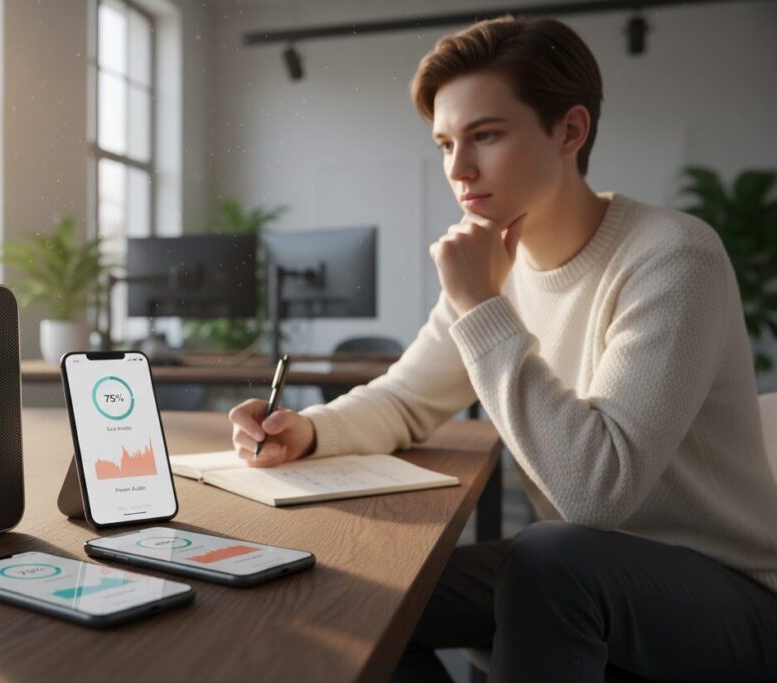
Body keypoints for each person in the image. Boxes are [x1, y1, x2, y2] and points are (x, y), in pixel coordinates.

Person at [227, 15, 777, 682]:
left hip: (732, 597)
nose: (459, 169)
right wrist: (306, 430)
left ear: (570, 131)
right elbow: (406, 398)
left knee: (549, 558)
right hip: (580, 572)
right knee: (362, 592)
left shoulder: (672, 256)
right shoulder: (499, 265)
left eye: (485, 136)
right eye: (444, 143)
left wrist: (479, 305)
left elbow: (596, 494)